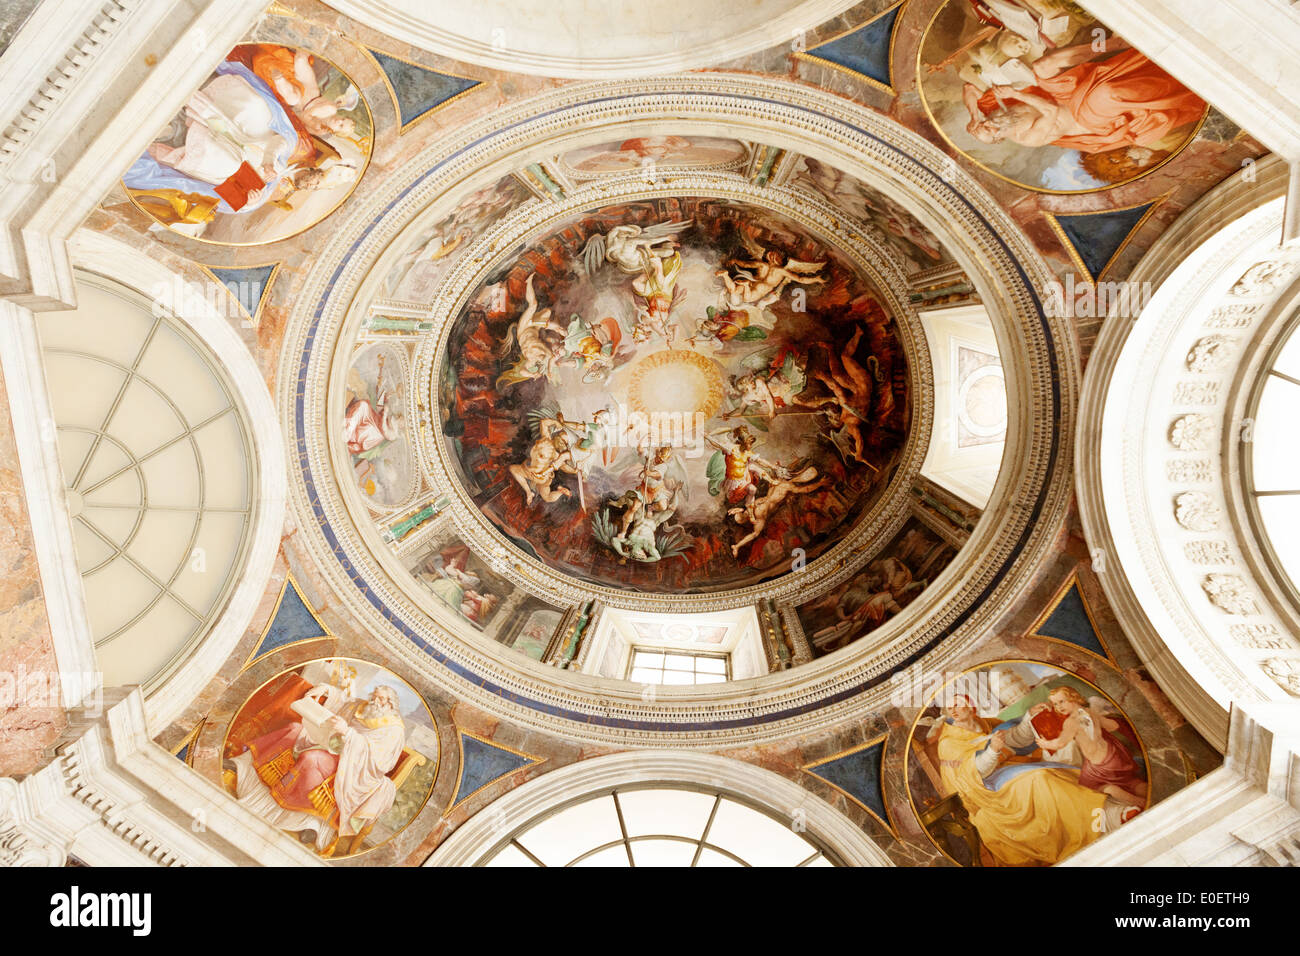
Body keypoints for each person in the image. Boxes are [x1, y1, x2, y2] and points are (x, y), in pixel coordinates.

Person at [230, 685, 406, 855]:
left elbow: (378, 761)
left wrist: (348, 733)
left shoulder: (394, 730)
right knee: (294, 729)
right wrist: (327, 690)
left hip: (353, 768)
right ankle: (243, 764)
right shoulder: (365, 707)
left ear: (390, 704)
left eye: (379, 698)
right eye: (373, 695)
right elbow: (345, 701)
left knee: (311, 759)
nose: (373, 700)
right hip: (333, 745)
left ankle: (308, 823)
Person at [963, 37, 1205, 154]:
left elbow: (969, 89)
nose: (991, 124)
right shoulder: (1027, 136)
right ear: (999, 139)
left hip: (1063, 97)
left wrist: (974, 113)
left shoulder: (994, 113)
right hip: (1084, 117)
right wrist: (1017, 94)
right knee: (1104, 94)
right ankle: (1181, 78)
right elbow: (1050, 112)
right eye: (991, 131)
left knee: (1044, 66)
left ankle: (1114, 44)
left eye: (984, 124)